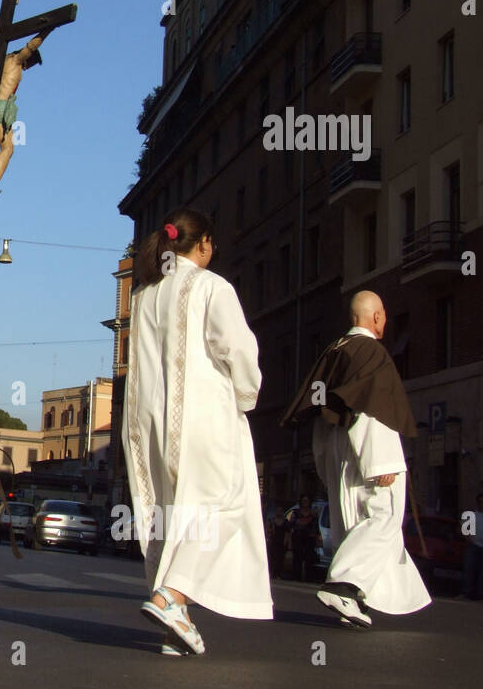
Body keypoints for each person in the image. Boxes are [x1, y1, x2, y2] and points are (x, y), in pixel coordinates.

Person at [122, 208, 272, 655]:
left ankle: (177, 624)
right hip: (201, 416)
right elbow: (238, 349)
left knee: (169, 515)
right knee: (223, 503)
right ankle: (172, 596)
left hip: (147, 420)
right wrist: (247, 397)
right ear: (203, 243)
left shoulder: (144, 295)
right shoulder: (212, 286)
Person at [282, 290, 430, 626]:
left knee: (353, 524)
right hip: (367, 448)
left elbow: (322, 411)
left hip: (338, 446)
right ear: (376, 317)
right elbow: (375, 407)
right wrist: (383, 462)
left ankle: (355, 599)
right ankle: (344, 587)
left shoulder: (334, 351)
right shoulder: (371, 352)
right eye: (385, 317)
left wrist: (324, 462)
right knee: (383, 516)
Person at [0, 26, 56, 211]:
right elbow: (31, 45)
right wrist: (49, 29)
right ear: (29, 60)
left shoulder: (0, 62)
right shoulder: (16, 61)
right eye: (31, 64)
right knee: (8, 149)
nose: (28, 68)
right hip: (1, 108)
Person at [288, 494, 322, 582]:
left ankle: (308, 578)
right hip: (298, 538)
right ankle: (296, 577)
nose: (305, 503)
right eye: (303, 501)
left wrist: (318, 538)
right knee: (297, 559)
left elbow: (316, 527)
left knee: (309, 559)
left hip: (309, 539)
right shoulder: (296, 513)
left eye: (307, 501)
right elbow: (290, 526)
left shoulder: (313, 513)